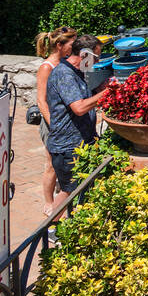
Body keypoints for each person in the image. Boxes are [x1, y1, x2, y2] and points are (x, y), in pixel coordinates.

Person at [45, 32, 107, 201]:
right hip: (68, 148)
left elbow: (81, 97)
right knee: (69, 192)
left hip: (80, 143)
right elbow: (79, 107)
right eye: (96, 57)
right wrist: (106, 93)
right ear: (84, 55)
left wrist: (98, 89)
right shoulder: (64, 74)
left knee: (79, 192)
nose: (97, 62)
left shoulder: (76, 71)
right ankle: (50, 226)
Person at [34, 26, 77, 216]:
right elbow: (41, 101)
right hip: (52, 122)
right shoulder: (47, 68)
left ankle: (65, 197)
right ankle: (50, 203)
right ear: (59, 45)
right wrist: (55, 125)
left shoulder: (67, 63)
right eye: (72, 44)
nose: (74, 48)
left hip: (67, 122)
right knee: (51, 163)